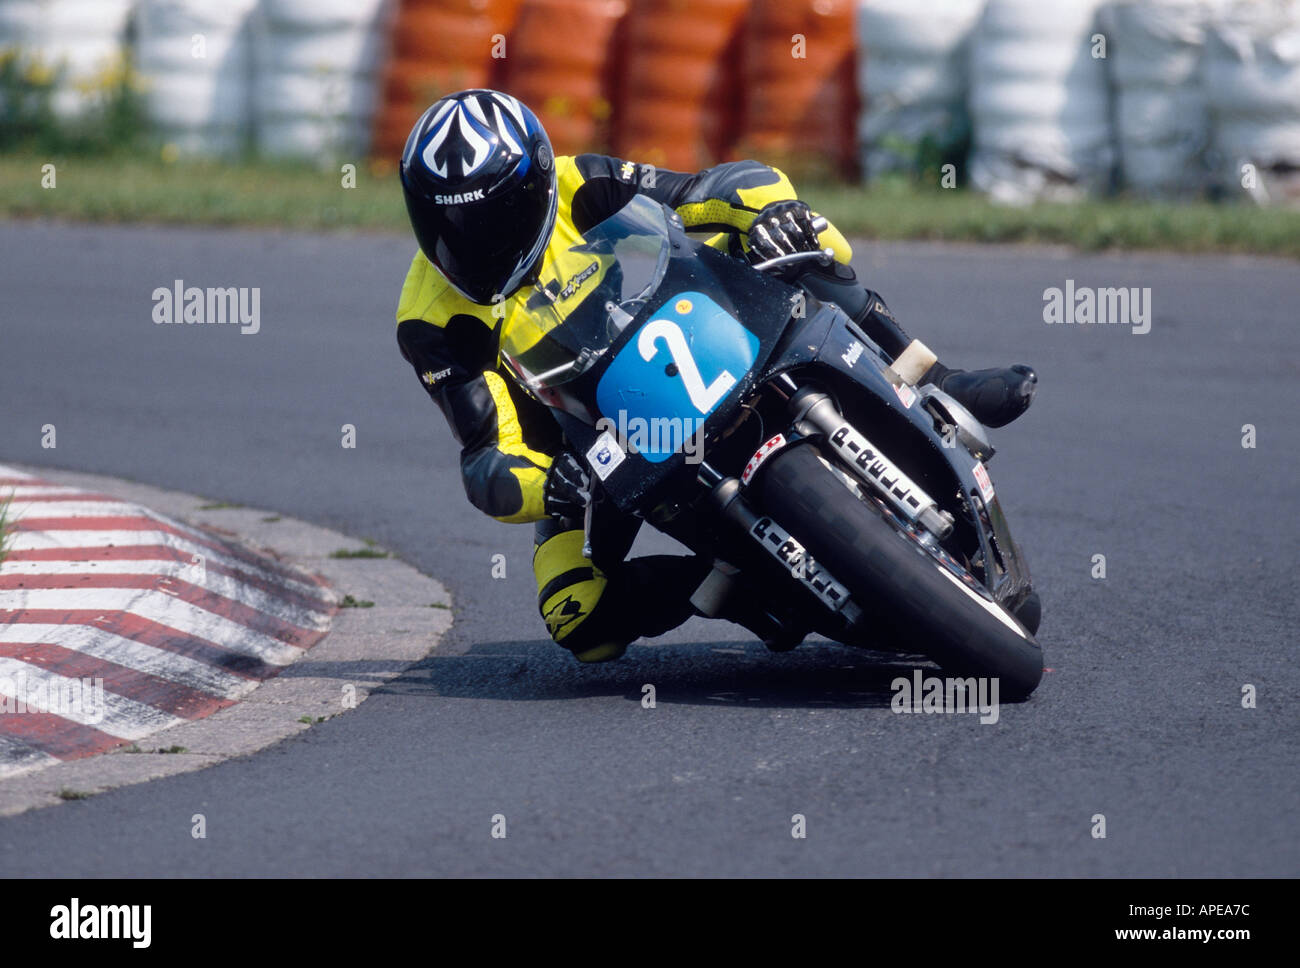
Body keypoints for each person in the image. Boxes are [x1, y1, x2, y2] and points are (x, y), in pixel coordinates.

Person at [396, 89, 1037, 663]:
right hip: (589, 447)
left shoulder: (580, 184)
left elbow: (708, 190)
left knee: (807, 241)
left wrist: (772, 211)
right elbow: (488, 458)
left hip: (693, 327)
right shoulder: (431, 318)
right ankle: (733, 585)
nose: (474, 244)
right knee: (578, 620)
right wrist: (551, 486)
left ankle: (934, 376)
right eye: (449, 225)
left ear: (536, 185)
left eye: (494, 219)